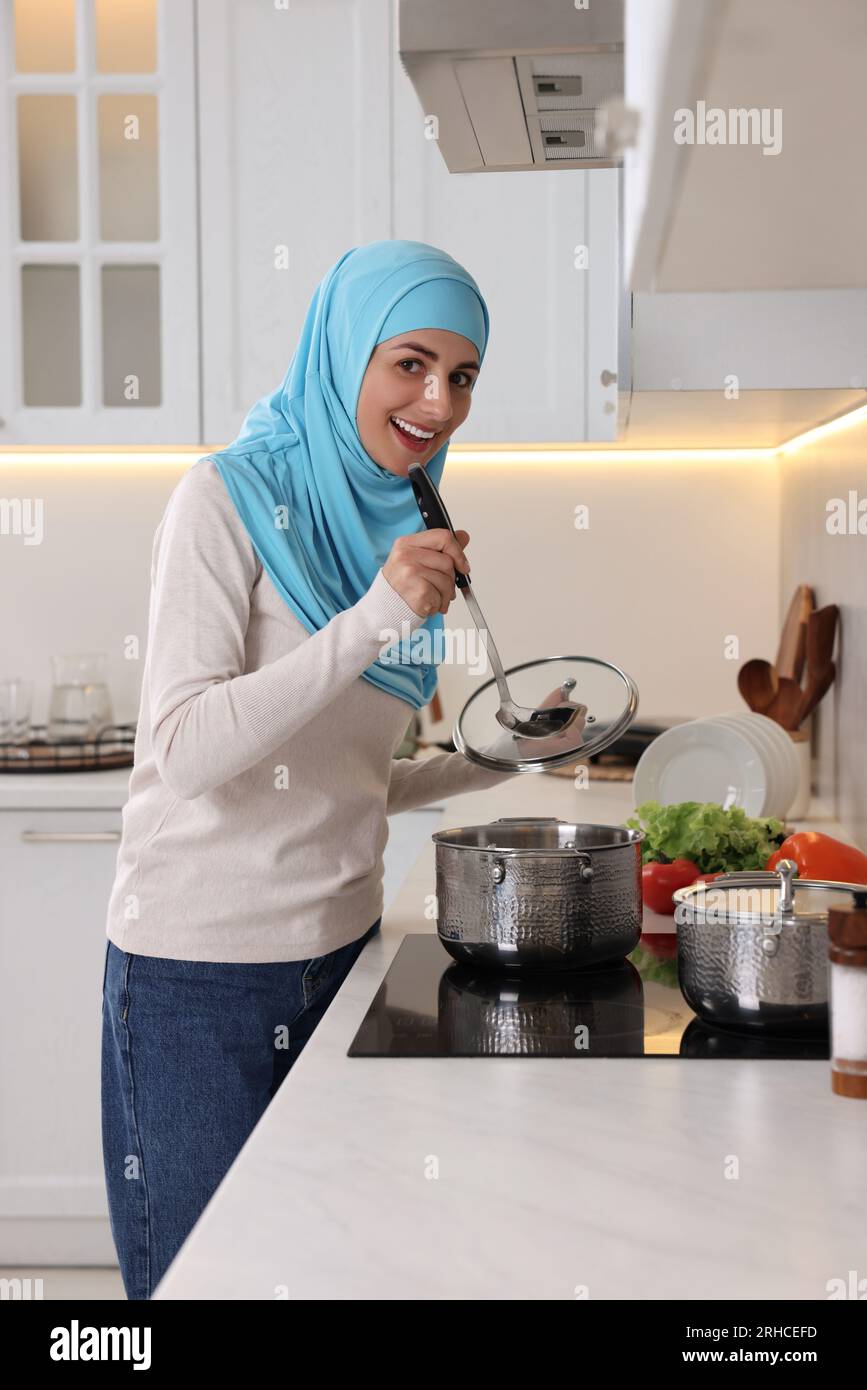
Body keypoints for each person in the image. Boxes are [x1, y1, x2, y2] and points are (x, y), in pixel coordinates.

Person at [100, 239, 522, 1300]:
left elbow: (341, 779)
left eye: (462, 375)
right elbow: (188, 749)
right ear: (345, 356)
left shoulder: (399, 513)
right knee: (201, 1290)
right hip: (199, 980)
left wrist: (489, 760)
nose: (439, 401)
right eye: (411, 364)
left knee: (317, 1281)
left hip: (337, 960)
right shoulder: (224, 498)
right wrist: (375, 616)